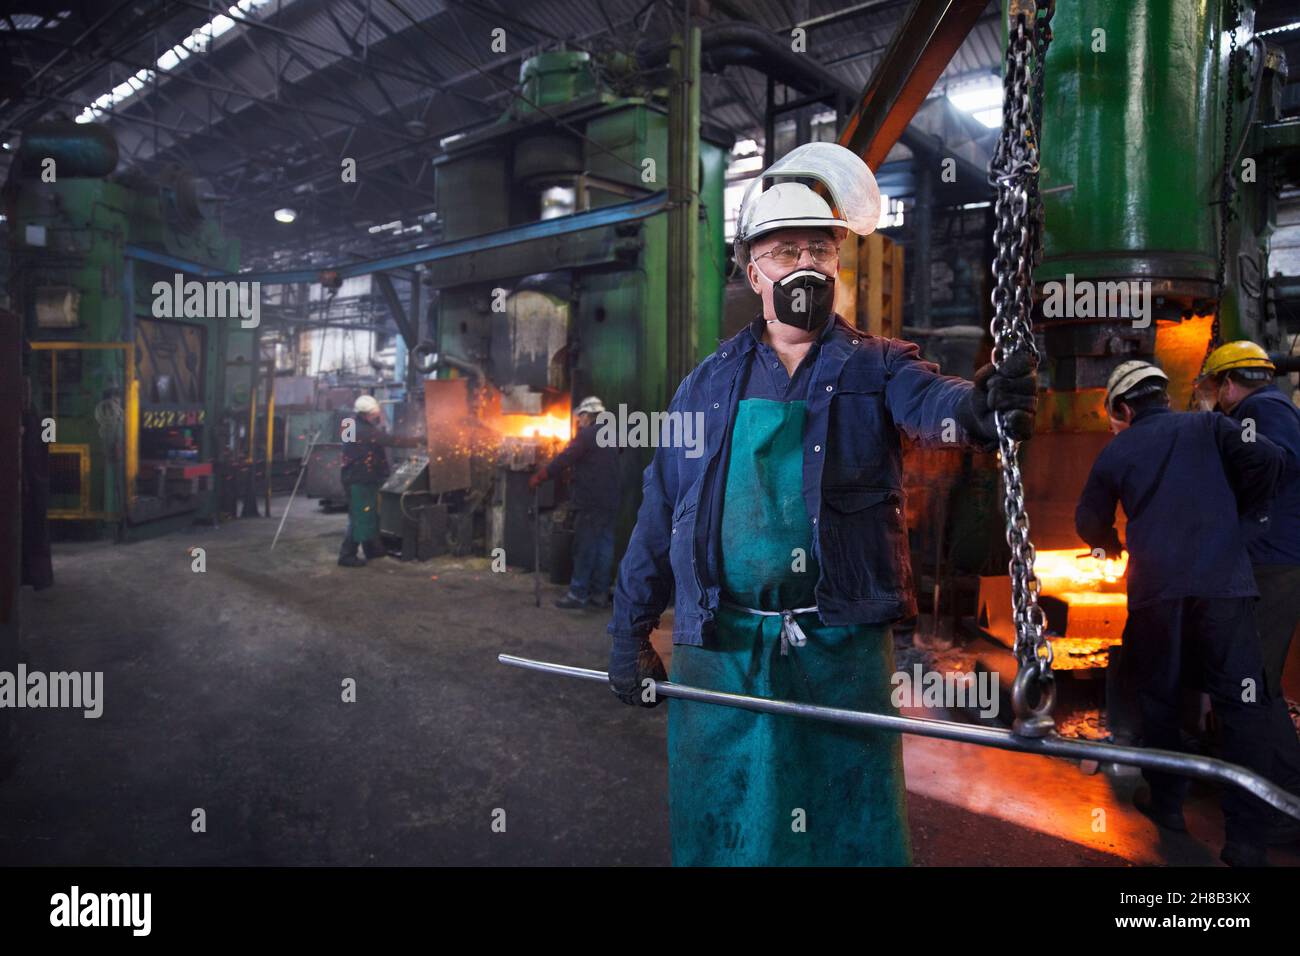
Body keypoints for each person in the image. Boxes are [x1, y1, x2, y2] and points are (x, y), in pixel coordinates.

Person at [605, 142, 1038, 866]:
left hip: (839, 649)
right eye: (784, 250)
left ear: (838, 264)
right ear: (754, 271)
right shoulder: (704, 386)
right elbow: (659, 515)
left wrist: (982, 410)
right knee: (727, 826)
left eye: (819, 249)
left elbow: (936, 406)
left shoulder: (878, 366)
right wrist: (630, 632)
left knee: (846, 825)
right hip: (722, 649)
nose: (804, 264)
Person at [1076, 359, 1288, 866]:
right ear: (1163, 397)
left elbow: (1088, 521)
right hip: (1224, 589)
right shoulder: (1212, 425)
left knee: (1160, 699)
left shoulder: (1115, 450)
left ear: (1124, 409)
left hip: (1157, 594)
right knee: (1242, 706)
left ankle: (1167, 804)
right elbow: (1272, 461)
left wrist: (1110, 543)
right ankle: (1247, 841)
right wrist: (1237, 512)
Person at [1195, 341, 1300, 699]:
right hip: (1272, 551)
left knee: (1254, 665)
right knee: (1252, 662)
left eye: (1215, 386)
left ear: (1228, 383)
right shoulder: (1266, 409)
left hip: (1273, 557)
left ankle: (1255, 744)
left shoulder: (1260, 410)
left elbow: (1270, 461)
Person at [529, 396, 621, 609]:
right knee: (604, 547)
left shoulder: (587, 435)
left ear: (588, 415)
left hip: (591, 501)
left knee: (585, 547)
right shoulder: (614, 434)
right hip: (611, 500)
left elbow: (565, 459)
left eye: (580, 418)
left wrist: (542, 475)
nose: (579, 422)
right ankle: (599, 593)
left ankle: (578, 593)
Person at [338, 394, 391, 568]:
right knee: (358, 517)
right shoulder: (367, 430)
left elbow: (349, 448)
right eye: (374, 414)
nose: (376, 416)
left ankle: (371, 549)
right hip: (360, 478)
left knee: (368, 514)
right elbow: (390, 440)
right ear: (367, 413)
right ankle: (346, 555)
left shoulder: (348, 423)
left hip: (353, 475)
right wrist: (419, 441)